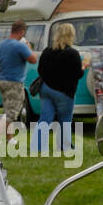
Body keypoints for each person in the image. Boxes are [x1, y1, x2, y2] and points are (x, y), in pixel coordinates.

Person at [31, 22, 87, 155]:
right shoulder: (73, 54)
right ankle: (64, 146)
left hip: (46, 89)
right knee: (65, 120)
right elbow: (78, 74)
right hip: (64, 92)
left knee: (45, 118)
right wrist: (84, 66)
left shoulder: (47, 51)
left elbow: (40, 70)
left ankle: (37, 146)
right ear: (71, 35)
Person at [0, 20, 38, 137]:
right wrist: (29, 48)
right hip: (14, 82)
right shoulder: (20, 46)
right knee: (12, 113)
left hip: (2, 81)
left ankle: (9, 138)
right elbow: (33, 60)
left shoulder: (1, 45)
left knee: (8, 109)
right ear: (22, 32)